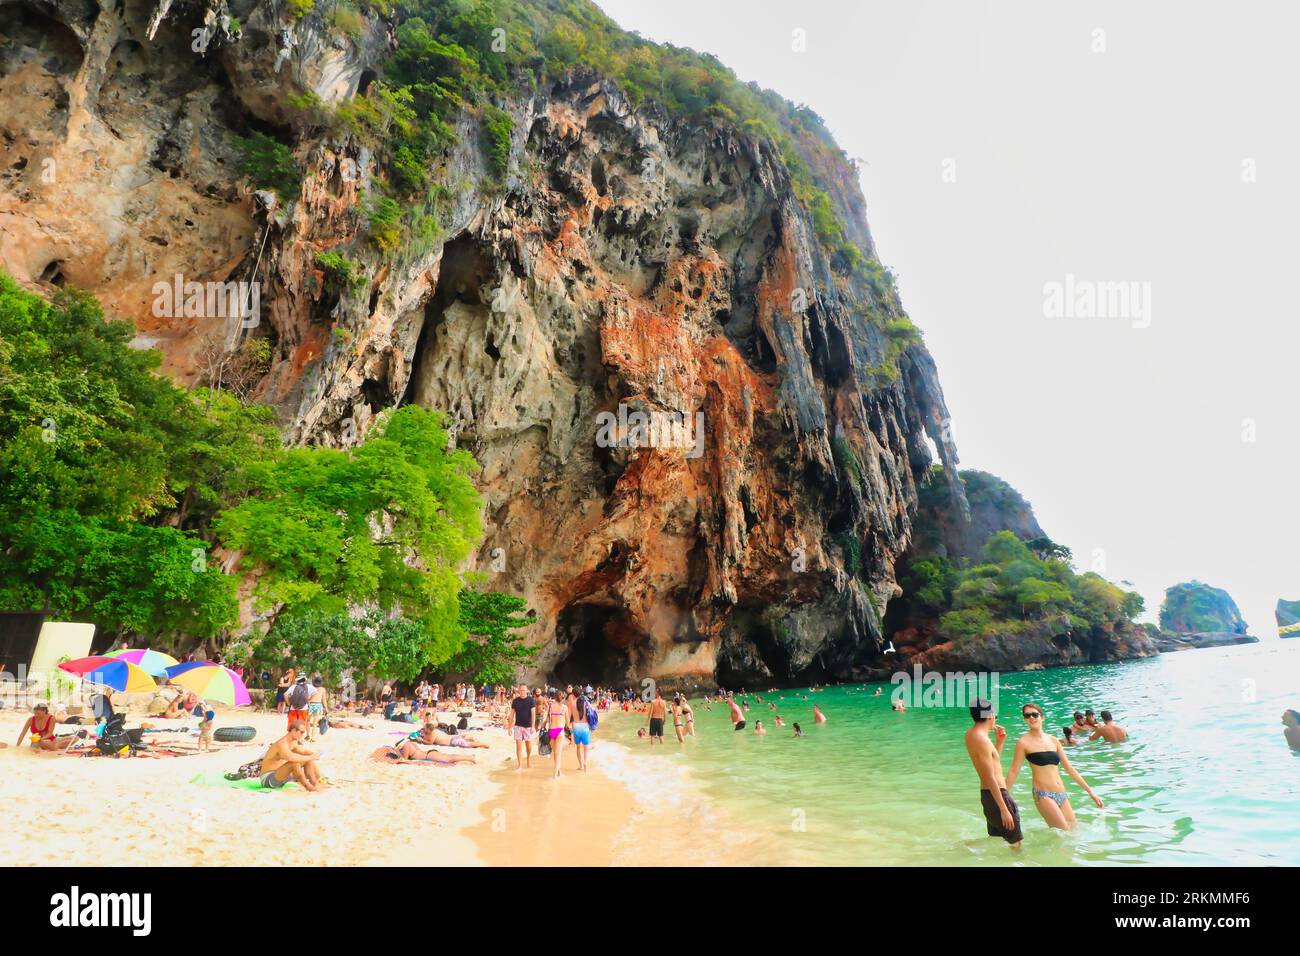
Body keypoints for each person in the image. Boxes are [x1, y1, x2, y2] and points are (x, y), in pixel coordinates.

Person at [1006, 703, 1103, 831]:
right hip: (1043, 794)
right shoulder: (1023, 742)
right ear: (1024, 719)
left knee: (1075, 833)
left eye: (1035, 714)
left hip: (1061, 794)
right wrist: (1002, 797)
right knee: (1065, 833)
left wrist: (1090, 792)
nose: (1031, 718)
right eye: (1027, 715)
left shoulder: (1053, 740)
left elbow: (1069, 769)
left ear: (1042, 717)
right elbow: (1014, 771)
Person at [963, 698, 1022, 849]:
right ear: (990, 715)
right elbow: (989, 776)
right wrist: (1004, 808)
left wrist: (1000, 742)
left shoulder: (972, 735)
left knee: (997, 841)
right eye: (995, 715)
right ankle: (965, 848)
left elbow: (993, 765)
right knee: (1016, 845)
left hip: (989, 795)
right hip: (997, 795)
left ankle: (967, 848)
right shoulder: (981, 739)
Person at [259, 722, 324, 790]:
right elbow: (291, 757)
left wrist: (314, 754)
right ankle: (308, 787)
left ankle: (315, 783)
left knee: (307, 760)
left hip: (281, 776)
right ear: (293, 730)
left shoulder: (293, 741)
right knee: (294, 763)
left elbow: (303, 751)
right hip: (268, 779)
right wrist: (311, 757)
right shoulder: (282, 744)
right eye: (301, 732)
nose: (302, 735)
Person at [507, 684, 536, 770]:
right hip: (518, 726)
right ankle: (519, 765)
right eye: (521, 690)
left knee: (528, 747)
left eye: (524, 690)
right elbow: (511, 715)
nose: (522, 692)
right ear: (519, 691)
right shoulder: (515, 701)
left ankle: (528, 759)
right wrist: (509, 727)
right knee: (518, 747)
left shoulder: (531, 700)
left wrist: (533, 726)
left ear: (527, 690)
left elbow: (533, 714)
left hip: (528, 726)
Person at [546, 689, 568, 778]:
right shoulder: (564, 708)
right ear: (562, 698)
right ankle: (554, 776)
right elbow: (567, 722)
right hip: (559, 730)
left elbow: (547, 718)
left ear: (555, 697)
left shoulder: (550, 706)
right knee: (558, 754)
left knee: (555, 753)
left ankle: (559, 772)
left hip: (551, 730)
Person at [569, 689, 591, 771]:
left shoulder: (572, 703)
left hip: (576, 726)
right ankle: (585, 762)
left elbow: (570, 716)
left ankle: (581, 765)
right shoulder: (585, 702)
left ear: (573, 695)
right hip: (585, 726)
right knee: (586, 746)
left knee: (578, 747)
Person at [306, 676, 328, 742]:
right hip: (318, 705)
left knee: (308, 721)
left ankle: (307, 735)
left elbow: (308, 697)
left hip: (310, 705)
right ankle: (313, 738)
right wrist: (326, 708)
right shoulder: (322, 689)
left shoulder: (310, 688)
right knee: (315, 723)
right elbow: (324, 700)